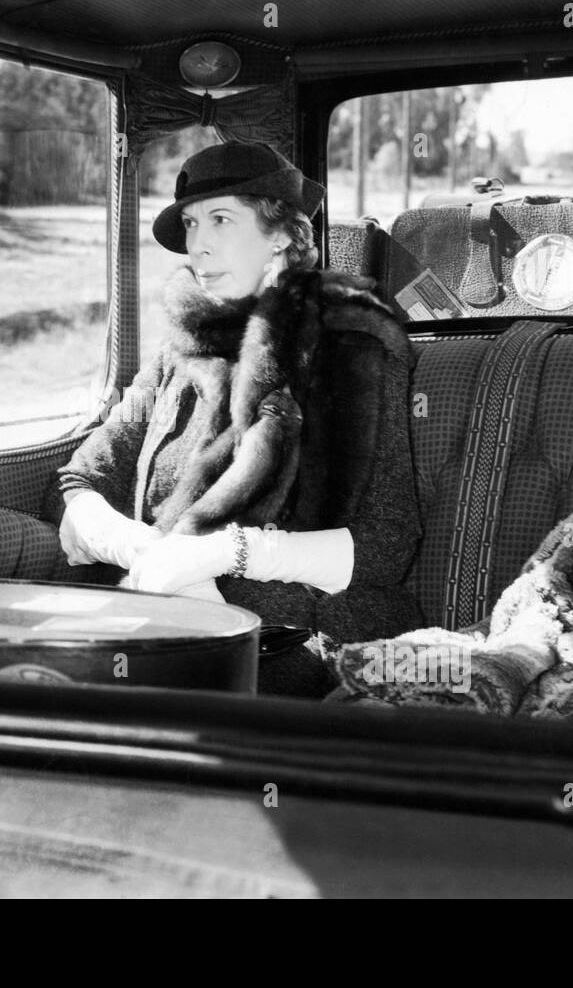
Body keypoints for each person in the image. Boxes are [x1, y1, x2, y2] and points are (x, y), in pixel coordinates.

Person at [55, 141, 423, 696]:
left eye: (221, 220)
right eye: (190, 223)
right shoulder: (179, 348)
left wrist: (229, 552)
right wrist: (149, 554)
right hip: (156, 614)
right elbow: (83, 481)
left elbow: (387, 545)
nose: (197, 245)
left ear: (281, 234)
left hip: (298, 635)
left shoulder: (352, 347)